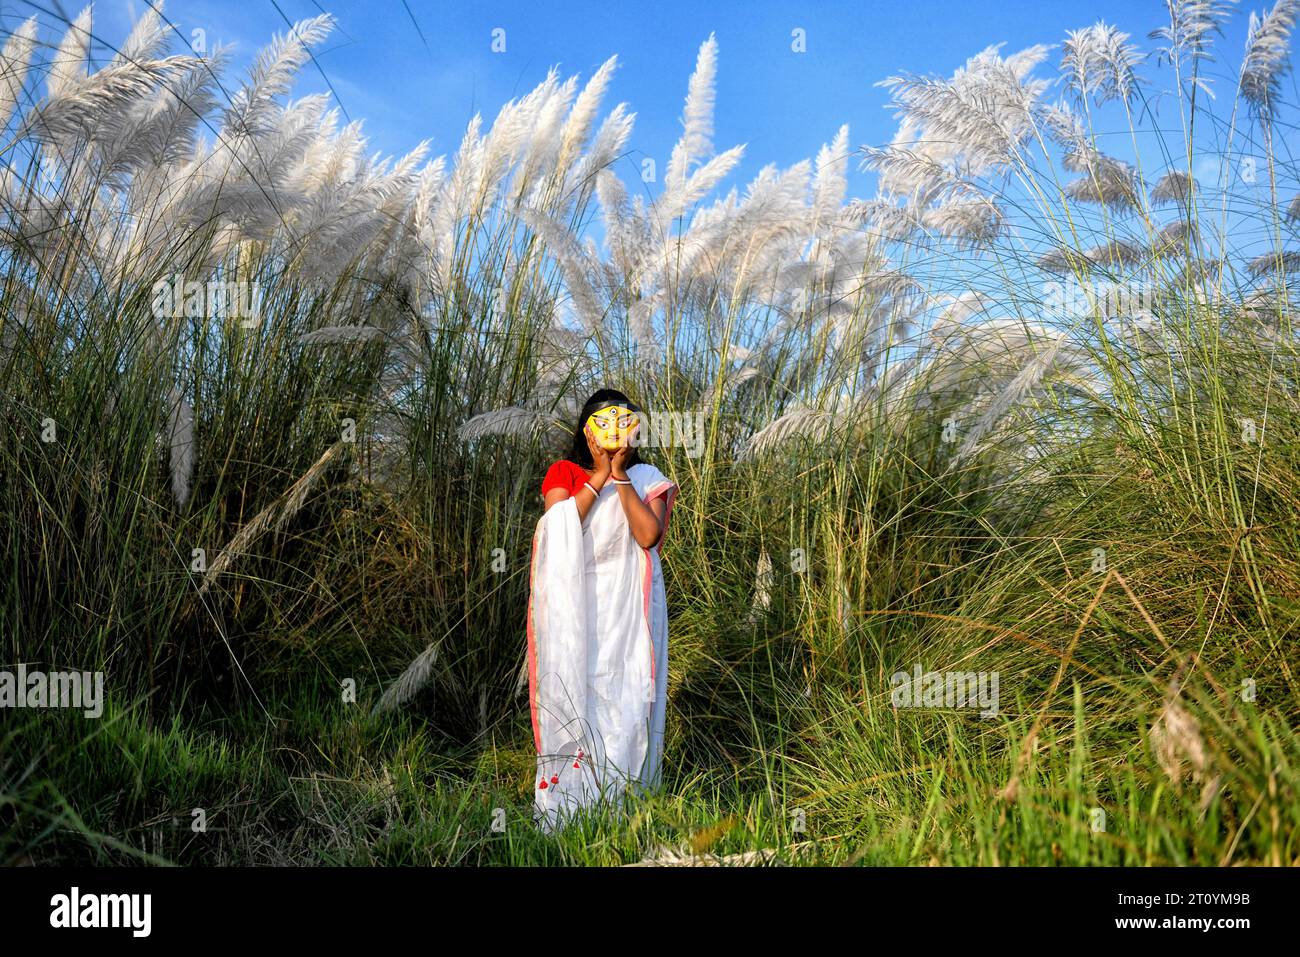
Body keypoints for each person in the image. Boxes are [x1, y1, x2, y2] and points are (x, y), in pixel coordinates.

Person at [525, 388, 679, 833]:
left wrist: (620, 475)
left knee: (629, 694)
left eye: (624, 421)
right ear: (588, 429)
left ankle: (624, 808)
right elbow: (560, 528)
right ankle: (570, 807)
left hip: (629, 611)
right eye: (605, 422)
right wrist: (597, 475)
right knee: (576, 693)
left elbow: (648, 535)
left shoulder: (647, 476)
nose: (615, 431)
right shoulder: (564, 472)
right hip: (575, 609)